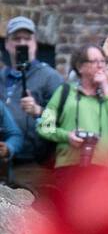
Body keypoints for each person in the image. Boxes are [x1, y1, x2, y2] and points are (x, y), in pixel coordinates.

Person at [37, 45, 108, 167]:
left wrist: (105, 89)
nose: (100, 65)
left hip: (106, 171)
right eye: (94, 61)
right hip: (69, 167)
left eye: (103, 61)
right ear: (80, 67)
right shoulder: (64, 92)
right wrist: (67, 136)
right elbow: (44, 126)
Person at [3, 16, 65, 191]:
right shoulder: (1, 77)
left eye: (27, 39)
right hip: (4, 162)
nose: (22, 43)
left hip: (35, 164)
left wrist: (39, 111)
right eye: (16, 39)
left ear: (35, 43)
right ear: (7, 44)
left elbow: (65, 118)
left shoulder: (50, 77)